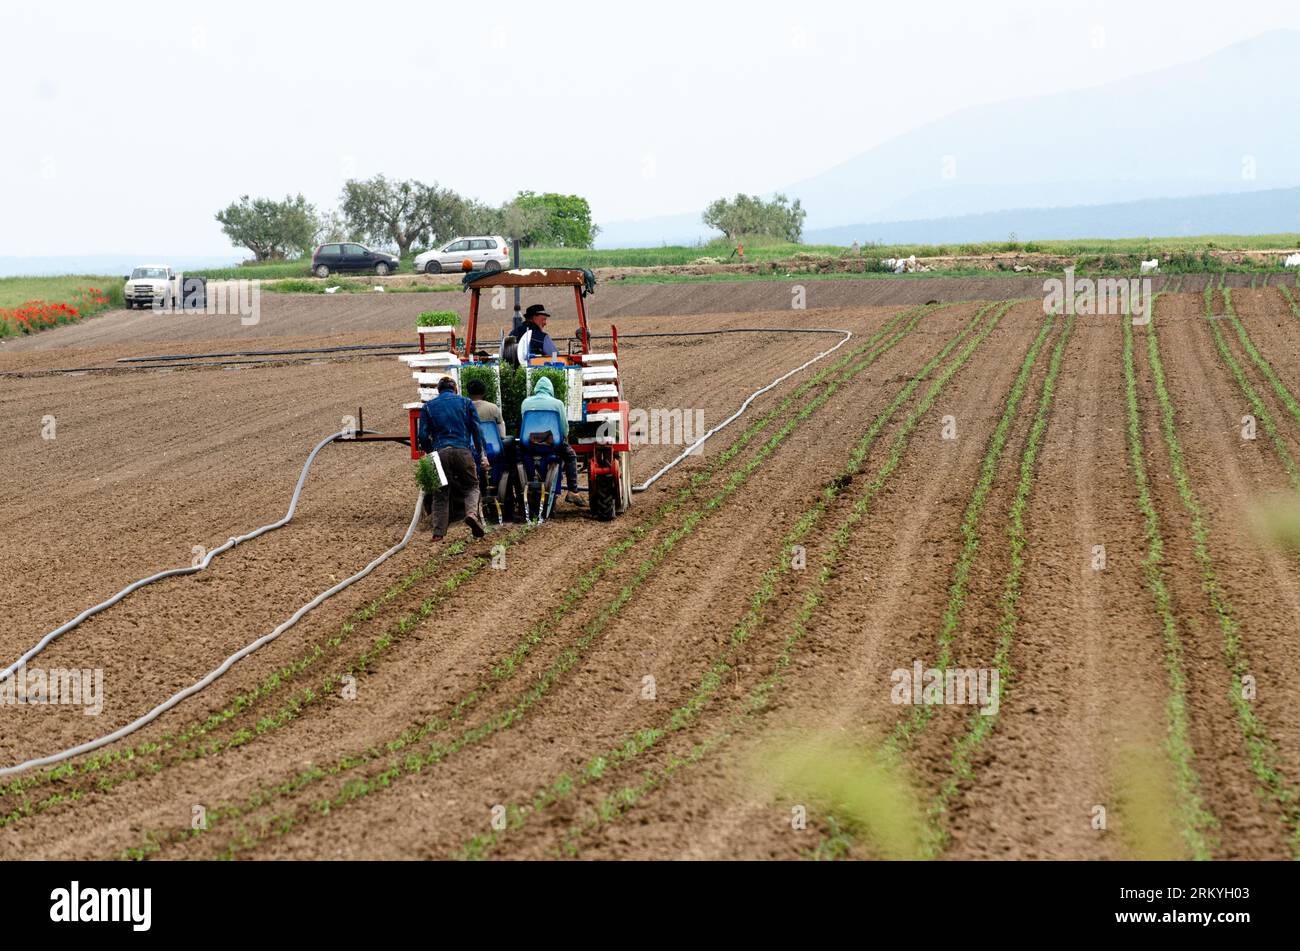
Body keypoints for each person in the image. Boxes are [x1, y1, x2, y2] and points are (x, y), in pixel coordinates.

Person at [417, 377, 487, 542]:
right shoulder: (466, 403)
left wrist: (430, 450)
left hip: (440, 452)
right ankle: (471, 514)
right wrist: (481, 452)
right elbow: (477, 429)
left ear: (439, 391)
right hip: (462, 450)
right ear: (455, 389)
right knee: (471, 486)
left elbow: (422, 435)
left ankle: (438, 533)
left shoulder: (428, 407)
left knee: (440, 492)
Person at [519, 376, 583, 506]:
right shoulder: (557, 404)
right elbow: (564, 427)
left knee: (517, 457)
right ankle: (573, 491)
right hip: (552, 444)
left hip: (529, 444)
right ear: (550, 390)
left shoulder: (526, 402)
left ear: (536, 389)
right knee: (570, 455)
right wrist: (565, 437)